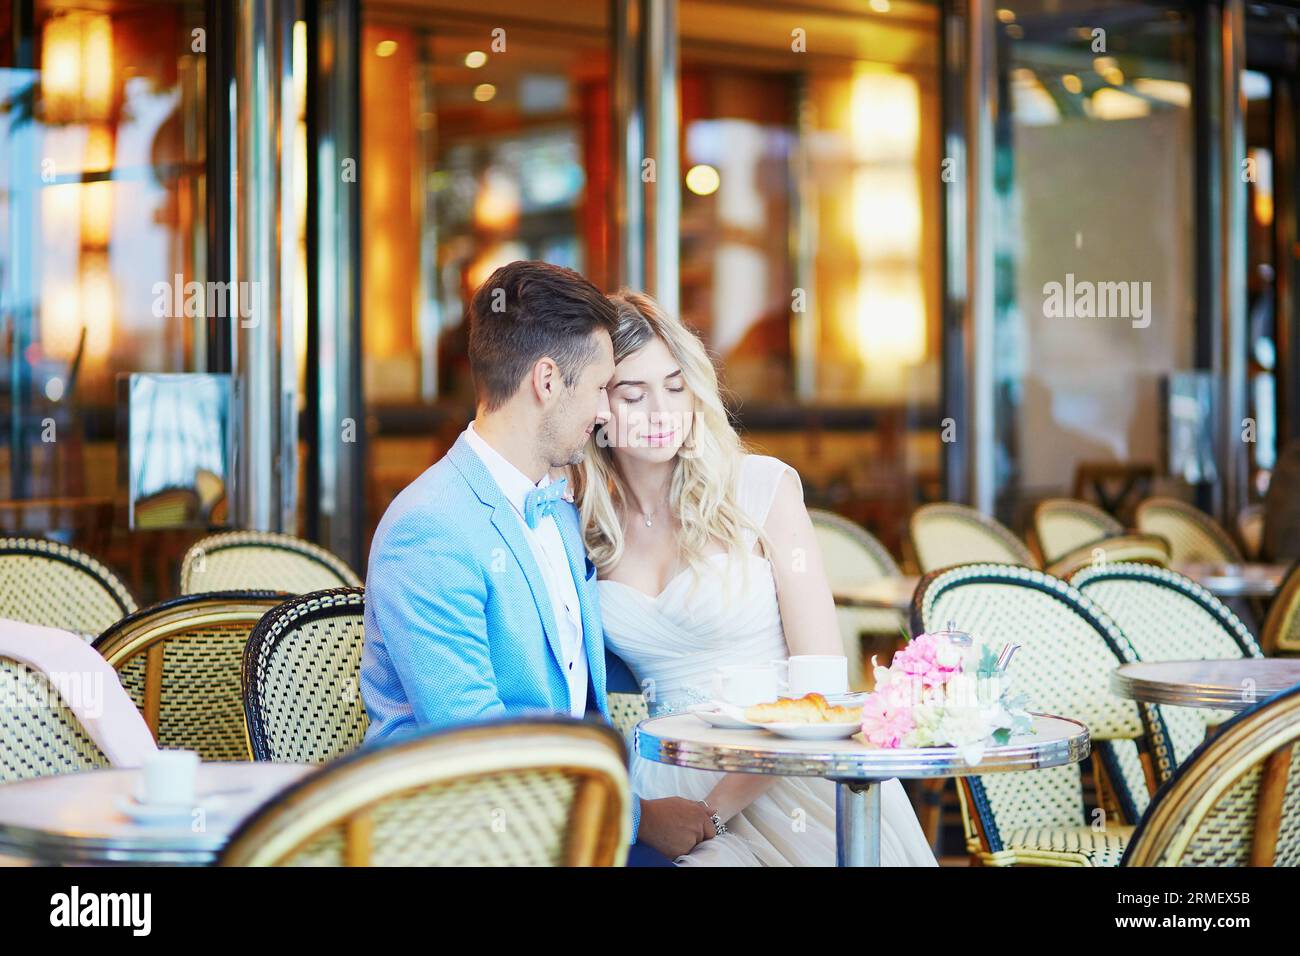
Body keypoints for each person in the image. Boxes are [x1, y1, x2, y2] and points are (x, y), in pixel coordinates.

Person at [360, 261, 713, 864]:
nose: (606, 412)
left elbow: (579, 686)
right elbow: (476, 741)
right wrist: (639, 818)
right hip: (463, 835)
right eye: (603, 388)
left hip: (567, 824)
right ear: (547, 381)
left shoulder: (555, 506)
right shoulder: (430, 528)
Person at [574, 290, 937, 866]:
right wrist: (655, 813)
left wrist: (713, 814)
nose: (662, 413)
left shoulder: (762, 489)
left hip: (790, 774)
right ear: (597, 408)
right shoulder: (587, 530)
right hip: (665, 783)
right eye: (632, 394)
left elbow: (820, 681)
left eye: (675, 386)